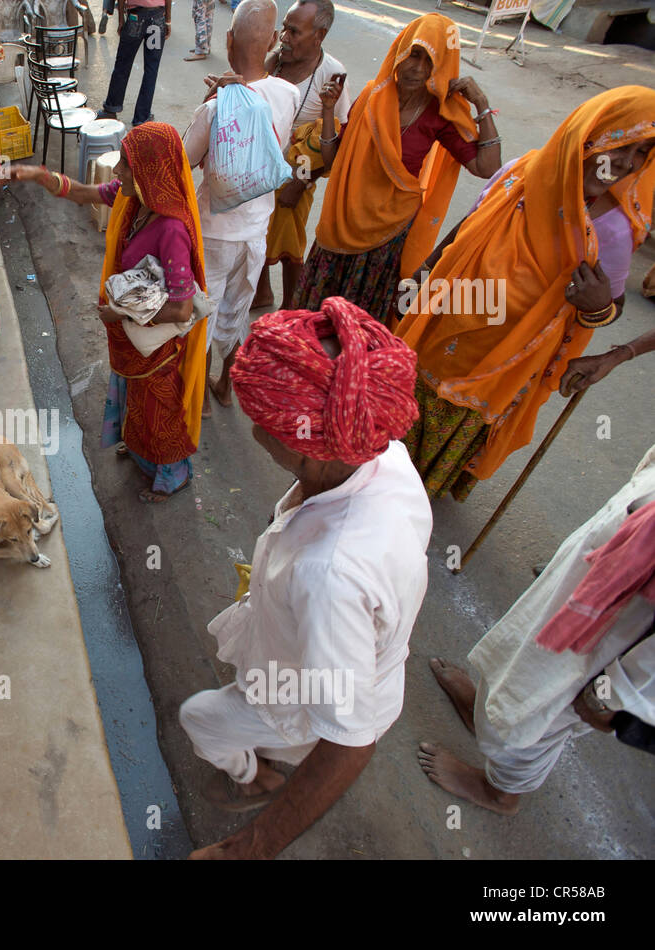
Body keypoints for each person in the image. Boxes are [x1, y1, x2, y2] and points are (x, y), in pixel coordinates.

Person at [180, 297, 431, 859]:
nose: (251, 433)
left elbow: (348, 741)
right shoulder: (383, 456)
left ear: (301, 448)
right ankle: (265, 761)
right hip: (326, 662)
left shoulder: (330, 574)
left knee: (199, 718)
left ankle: (255, 776)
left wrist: (247, 850)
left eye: (259, 421)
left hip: (304, 695)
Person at [397, 86, 655, 501]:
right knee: (400, 413)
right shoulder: (523, 172)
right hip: (447, 320)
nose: (626, 161)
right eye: (622, 141)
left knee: (435, 448)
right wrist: (421, 277)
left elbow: (612, 306)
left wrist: (597, 308)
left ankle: (407, 501)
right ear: (588, 132)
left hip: (503, 356)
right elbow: (469, 226)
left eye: (643, 153)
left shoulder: (612, 230)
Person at [419, 447, 655, 815]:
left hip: (616, 637)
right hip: (602, 570)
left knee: (539, 716)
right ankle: (486, 712)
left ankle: (500, 793)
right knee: (517, 668)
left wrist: (614, 693)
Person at [9, 123, 209, 502]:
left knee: (157, 408)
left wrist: (121, 315)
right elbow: (86, 193)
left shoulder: (171, 230)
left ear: (148, 171)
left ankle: (172, 475)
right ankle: (137, 448)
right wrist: (39, 175)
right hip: (131, 336)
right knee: (136, 398)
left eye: (126, 166)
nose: (117, 172)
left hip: (155, 346)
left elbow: (182, 306)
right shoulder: (133, 198)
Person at [292, 12, 502, 324]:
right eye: (412, 55)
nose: (416, 68)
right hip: (342, 222)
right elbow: (334, 160)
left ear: (441, 66)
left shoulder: (438, 115)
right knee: (319, 318)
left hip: (388, 236)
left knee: (360, 322)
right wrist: (326, 110)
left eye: (429, 60)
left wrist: (481, 103)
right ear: (399, 53)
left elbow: (488, 168)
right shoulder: (371, 98)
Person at [181, 0, 299, 411]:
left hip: (214, 230)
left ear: (228, 40)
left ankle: (197, 394)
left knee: (203, 312)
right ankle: (225, 387)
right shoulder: (290, 93)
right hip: (256, 229)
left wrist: (214, 98)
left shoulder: (216, 106)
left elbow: (185, 160)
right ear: (271, 42)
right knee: (236, 309)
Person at [253, 0, 351, 309]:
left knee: (289, 243)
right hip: (261, 171)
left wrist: (302, 182)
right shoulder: (274, 62)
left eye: (294, 31)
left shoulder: (333, 73)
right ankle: (261, 294)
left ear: (319, 35)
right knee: (258, 237)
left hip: (299, 176)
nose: (284, 37)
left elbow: (337, 140)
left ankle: (293, 308)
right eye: (284, 28)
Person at [96, 0, 173, 128]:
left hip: (135, 18)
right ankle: (142, 117)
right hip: (157, 20)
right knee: (151, 69)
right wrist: (168, 21)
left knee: (122, 64)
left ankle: (111, 108)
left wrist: (121, 20)